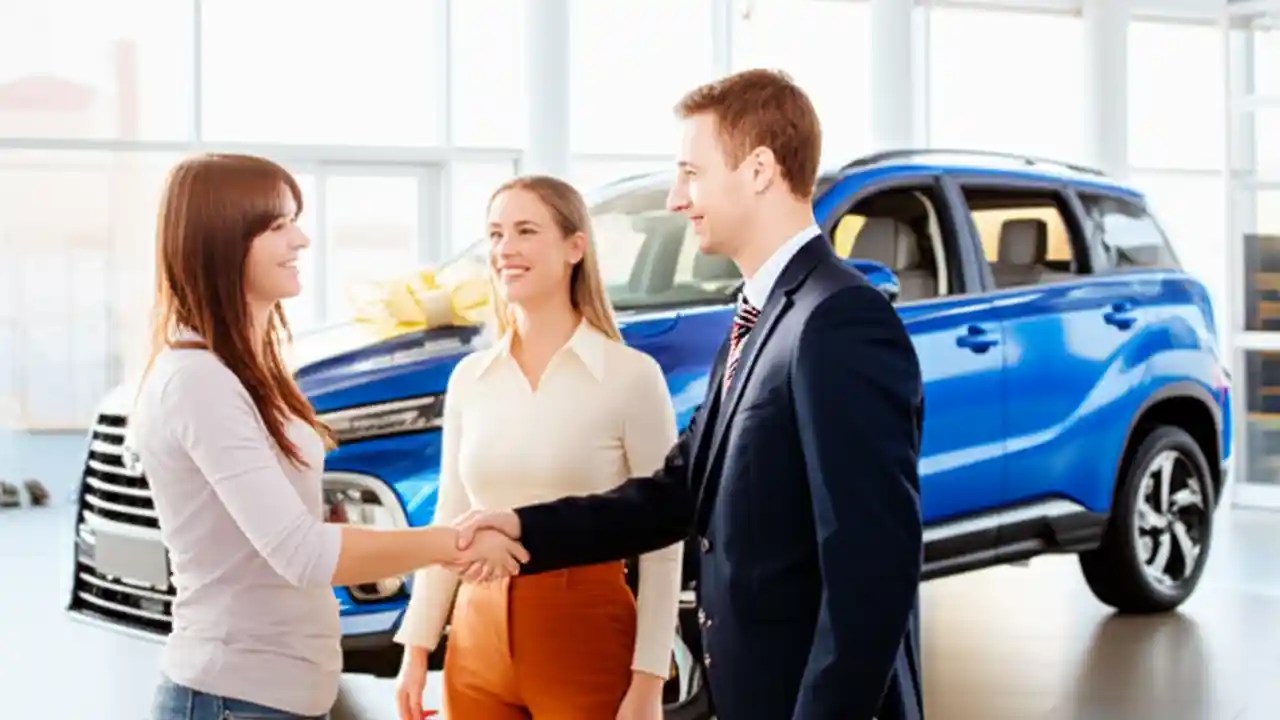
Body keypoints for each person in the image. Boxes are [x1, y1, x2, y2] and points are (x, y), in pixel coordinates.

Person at [454, 69, 926, 720]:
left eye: (691, 173)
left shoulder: (837, 319)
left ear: (758, 169)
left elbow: (872, 569)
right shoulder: (758, 319)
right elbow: (677, 493)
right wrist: (521, 525)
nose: (678, 199)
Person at [127, 153, 528, 720]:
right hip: (235, 697)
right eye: (277, 226)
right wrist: (455, 543)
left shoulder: (246, 369)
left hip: (274, 695)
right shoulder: (199, 381)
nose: (302, 239)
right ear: (220, 242)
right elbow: (302, 552)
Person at [391, 175, 684, 720]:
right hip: (475, 640)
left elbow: (664, 542)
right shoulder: (470, 378)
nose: (505, 249)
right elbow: (451, 512)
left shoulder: (630, 376)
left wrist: (647, 681)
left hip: (586, 634)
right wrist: (416, 650)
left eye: (526, 230)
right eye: (496, 233)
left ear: (576, 247)